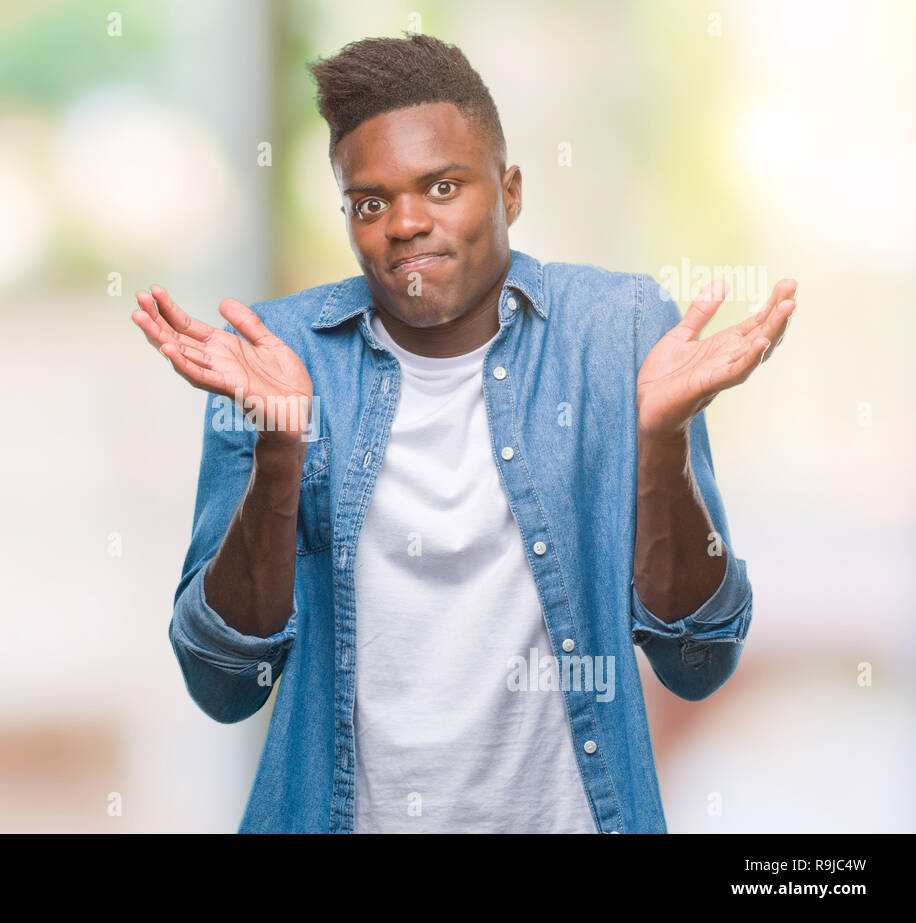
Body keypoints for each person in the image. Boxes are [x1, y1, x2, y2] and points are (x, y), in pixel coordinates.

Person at [130, 32, 796, 833]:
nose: (405, 222)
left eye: (442, 187)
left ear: (510, 192)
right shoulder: (276, 355)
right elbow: (222, 683)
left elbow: (698, 660)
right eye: (371, 201)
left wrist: (661, 446)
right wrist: (280, 449)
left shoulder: (618, 332)